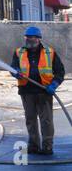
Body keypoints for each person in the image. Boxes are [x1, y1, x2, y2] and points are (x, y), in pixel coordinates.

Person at [11, 26, 65, 155]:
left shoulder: (49, 52)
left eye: (32, 37)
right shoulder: (19, 52)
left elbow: (60, 72)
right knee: (30, 119)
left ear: (38, 39)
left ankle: (47, 147)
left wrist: (54, 85)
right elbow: (13, 67)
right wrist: (15, 73)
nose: (29, 39)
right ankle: (33, 146)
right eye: (27, 37)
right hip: (26, 91)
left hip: (44, 92)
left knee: (46, 120)